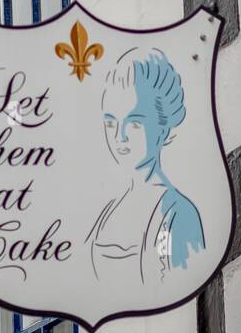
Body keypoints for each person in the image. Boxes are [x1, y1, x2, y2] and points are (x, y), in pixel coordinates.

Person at [87, 47, 205, 286]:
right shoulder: (107, 211)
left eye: (134, 123)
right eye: (111, 123)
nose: (120, 136)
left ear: (162, 128)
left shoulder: (176, 214)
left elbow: (180, 290)